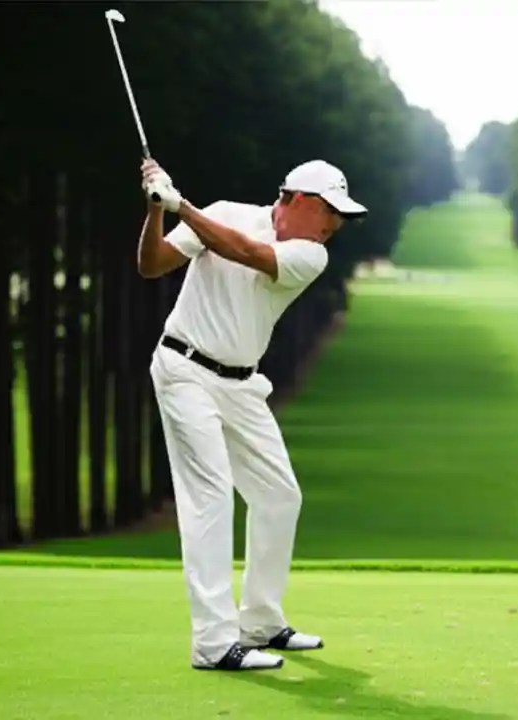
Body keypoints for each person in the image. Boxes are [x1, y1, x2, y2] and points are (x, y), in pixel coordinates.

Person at [136, 157, 367, 672]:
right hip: (184, 369)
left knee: (279, 496)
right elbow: (152, 265)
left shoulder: (309, 254)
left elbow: (243, 251)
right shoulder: (225, 213)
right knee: (210, 496)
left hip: (241, 384)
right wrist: (156, 209)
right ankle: (214, 643)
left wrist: (180, 205)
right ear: (300, 200)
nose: (335, 226)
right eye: (331, 212)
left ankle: (260, 621)